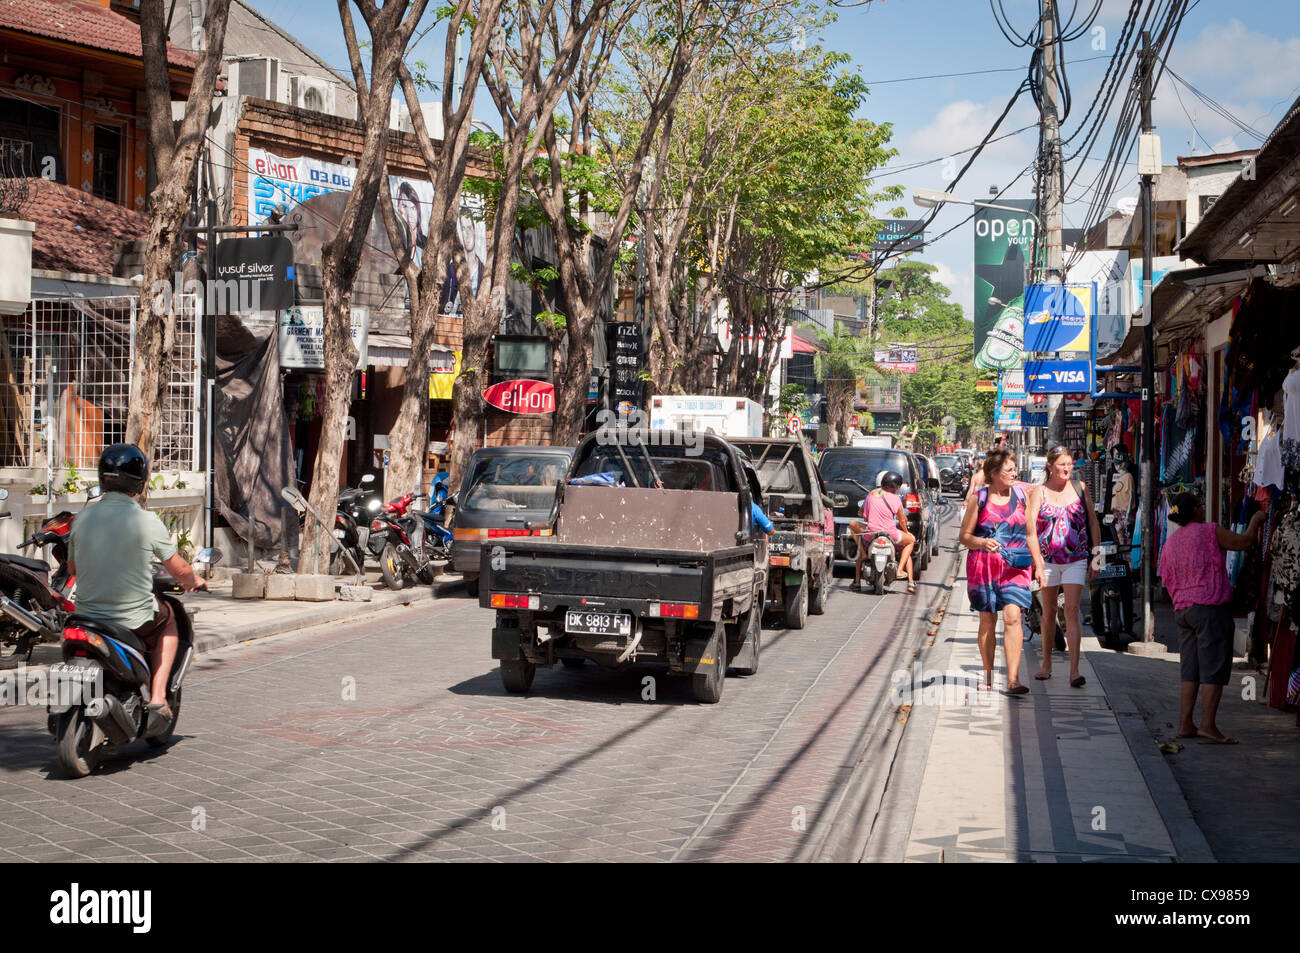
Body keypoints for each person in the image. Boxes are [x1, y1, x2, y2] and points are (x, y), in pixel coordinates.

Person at [68, 444, 208, 735]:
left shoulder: (80, 519)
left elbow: (73, 570)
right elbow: (179, 569)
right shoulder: (145, 520)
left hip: (86, 616)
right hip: (132, 618)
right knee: (169, 619)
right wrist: (193, 581)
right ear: (140, 479)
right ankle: (158, 698)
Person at [1158, 491, 1264, 744]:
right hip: (1209, 607)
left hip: (1183, 610)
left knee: (1190, 669)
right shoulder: (1209, 531)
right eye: (1200, 505)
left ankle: (1185, 724)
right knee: (1213, 667)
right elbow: (1243, 542)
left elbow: (1166, 577)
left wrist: (1182, 598)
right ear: (1195, 509)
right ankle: (1207, 725)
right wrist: (1256, 521)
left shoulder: (1170, 543)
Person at [959, 448, 1046, 694]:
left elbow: (1030, 534)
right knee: (988, 620)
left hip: (1016, 567)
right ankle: (987, 675)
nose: (1014, 473)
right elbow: (964, 536)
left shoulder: (1021, 496)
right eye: (1008, 470)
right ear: (994, 473)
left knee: (1013, 617)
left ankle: (1013, 679)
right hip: (983, 569)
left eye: (1014, 468)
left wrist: (1038, 565)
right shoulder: (980, 498)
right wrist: (982, 542)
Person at [1027, 446, 1102, 687]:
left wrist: (1097, 557)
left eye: (1070, 463)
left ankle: (1075, 670)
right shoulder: (1038, 492)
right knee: (1048, 612)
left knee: (1071, 611)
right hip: (1047, 561)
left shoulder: (1081, 488)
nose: (1067, 468)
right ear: (1050, 466)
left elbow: (1093, 522)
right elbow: (1030, 531)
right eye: (1062, 464)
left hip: (1076, 559)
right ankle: (1046, 665)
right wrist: (1037, 564)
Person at [852, 470, 916, 594]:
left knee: (860, 550)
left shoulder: (870, 495)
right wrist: (907, 532)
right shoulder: (896, 499)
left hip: (870, 533)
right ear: (895, 486)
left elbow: (864, 516)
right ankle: (900, 571)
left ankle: (857, 582)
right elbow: (902, 520)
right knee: (910, 541)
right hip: (890, 533)